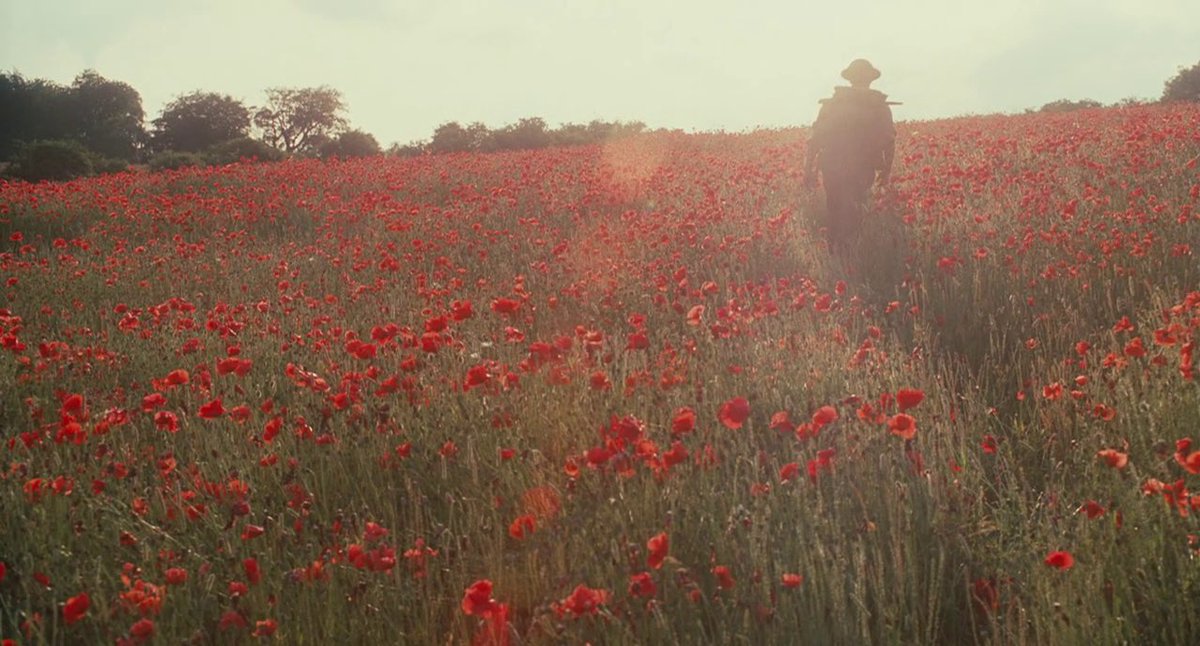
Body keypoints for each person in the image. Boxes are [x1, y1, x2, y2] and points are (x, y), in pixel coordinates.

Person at [803, 59, 896, 247]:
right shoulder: (879, 106)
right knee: (855, 207)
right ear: (871, 80)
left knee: (834, 208)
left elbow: (815, 138)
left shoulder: (832, 104)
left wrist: (808, 170)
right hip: (862, 167)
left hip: (832, 165)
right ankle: (850, 254)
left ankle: (836, 250)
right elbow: (889, 140)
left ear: (850, 79)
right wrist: (886, 171)